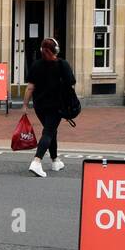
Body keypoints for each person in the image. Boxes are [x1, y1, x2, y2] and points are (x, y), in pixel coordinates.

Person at [23, 37, 76, 177]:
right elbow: (71, 83)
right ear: (56, 50)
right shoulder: (62, 64)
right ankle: (37, 161)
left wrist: (24, 105)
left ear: (42, 50)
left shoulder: (36, 65)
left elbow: (30, 88)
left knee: (51, 131)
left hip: (39, 106)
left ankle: (55, 160)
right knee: (48, 132)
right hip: (56, 106)